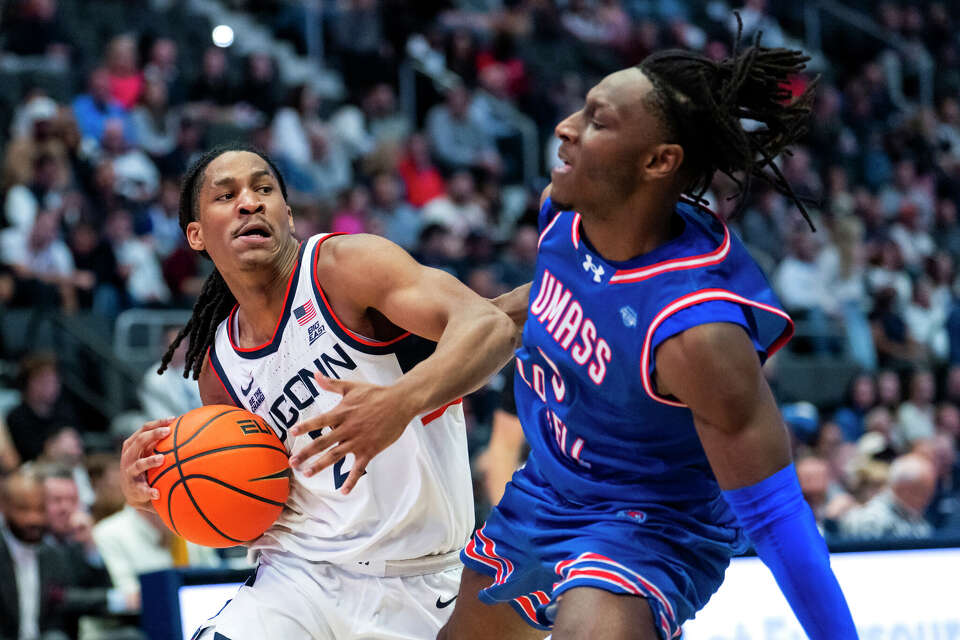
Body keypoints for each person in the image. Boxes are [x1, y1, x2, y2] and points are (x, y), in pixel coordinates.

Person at [439, 28, 857, 640]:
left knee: (595, 626)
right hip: (550, 492)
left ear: (659, 161)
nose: (565, 126)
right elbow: (544, 304)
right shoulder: (567, 214)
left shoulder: (698, 329)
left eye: (597, 121)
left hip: (655, 519)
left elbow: (775, 514)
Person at [118, 145, 516, 639]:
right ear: (196, 235)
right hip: (296, 583)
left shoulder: (344, 267)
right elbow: (246, 507)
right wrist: (161, 491)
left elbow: (490, 324)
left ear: (287, 213)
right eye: (227, 195)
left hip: (418, 580)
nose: (250, 203)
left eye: (264, 189)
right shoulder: (218, 370)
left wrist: (401, 401)